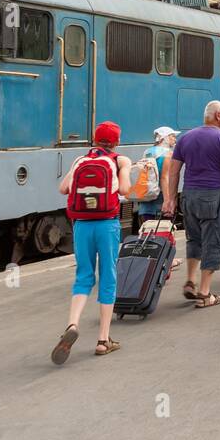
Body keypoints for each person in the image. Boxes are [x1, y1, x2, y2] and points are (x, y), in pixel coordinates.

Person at [51, 121, 133, 363]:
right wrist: (127, 170)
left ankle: (73, 324)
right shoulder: (120, 160)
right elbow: (125, 190)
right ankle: (103, 340)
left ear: (95, 140)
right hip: (107, 225)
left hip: (82, 226)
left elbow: (63, 188)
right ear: (117, 141)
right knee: (108, 276)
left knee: (84, 276)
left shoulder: (80, 160)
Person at [163, 100, 220, 309]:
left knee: (194, 239)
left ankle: (190, 280)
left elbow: (174, 171)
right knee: (215, 241)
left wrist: (170, 199)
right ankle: (205, 293)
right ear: (217, 116)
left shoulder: (185, 138)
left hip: (188, 196)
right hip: (213, 196)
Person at [133, 126, 176, 226]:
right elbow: (164, 178)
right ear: (165, 138)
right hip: (160, 196)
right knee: (161, 232)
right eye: (172, 136)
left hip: (147, 195)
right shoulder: (168, 154)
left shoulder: (147, 152)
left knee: (147, 229)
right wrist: (167, 200)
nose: (175, 139)